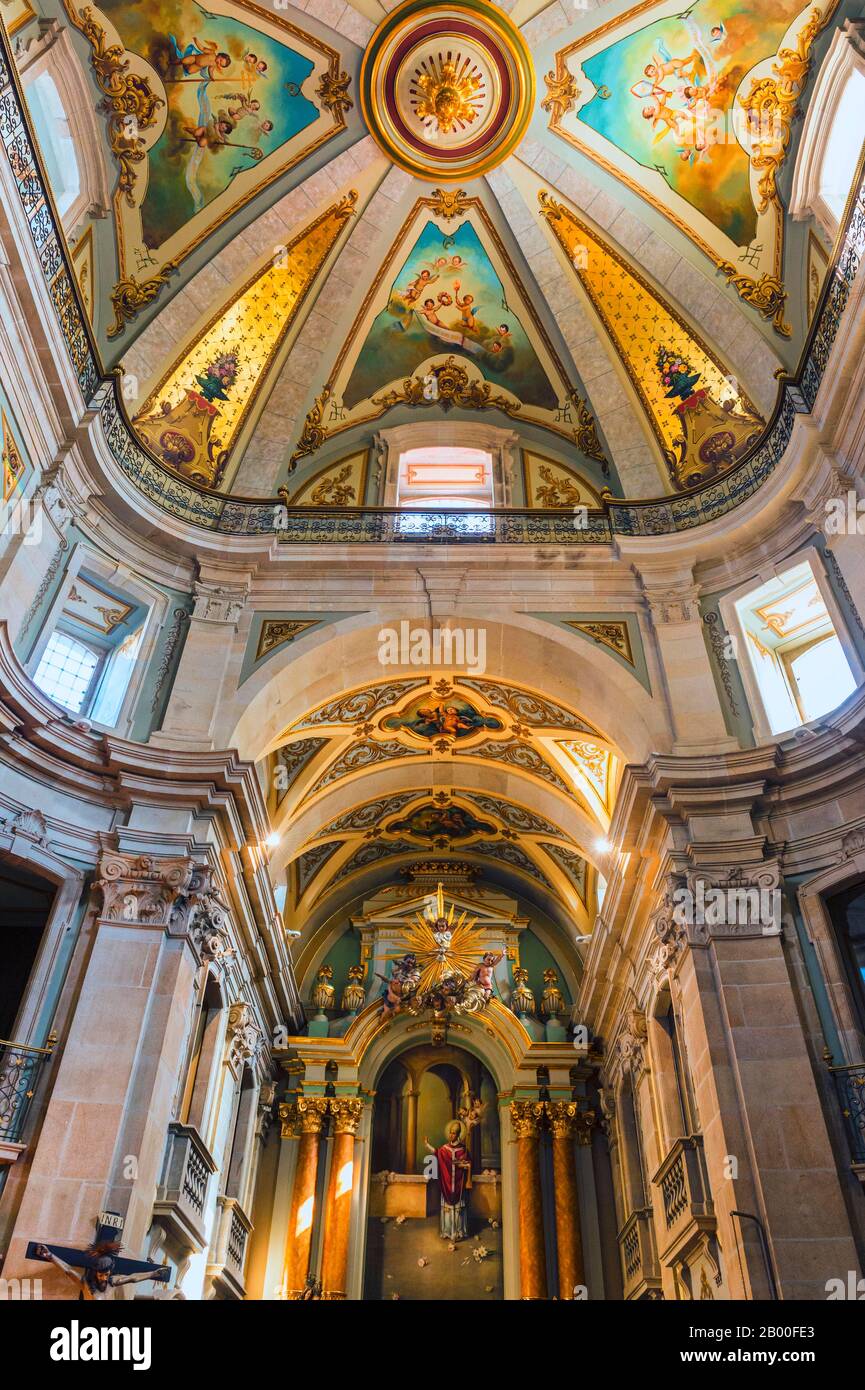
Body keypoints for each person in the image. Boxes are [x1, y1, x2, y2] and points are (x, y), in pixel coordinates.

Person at [35, 1242, 168, 1301]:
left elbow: (133, 1278)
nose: (104, 1278)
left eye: (106, 1274)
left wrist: (153, 1274)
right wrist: (50, 1256)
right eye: (100, 1274)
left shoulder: (112, 1282)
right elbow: (68, 1270)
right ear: (95, 1273)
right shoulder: (86, 1284)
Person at [424, 1120, 472, 1240]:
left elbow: (468, 1163)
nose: (451, 1135)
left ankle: (459, 1232)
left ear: (458, 1135)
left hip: (459, 1183)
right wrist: (427, 1145)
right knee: (447, 1208)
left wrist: (464, 1165)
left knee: (459, 1209)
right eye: (450, 1133)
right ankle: (448, 1231)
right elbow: (437, 1153)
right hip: (447, 1183)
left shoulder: (463, 1149)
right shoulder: (445, 1149)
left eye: (454, 1133)